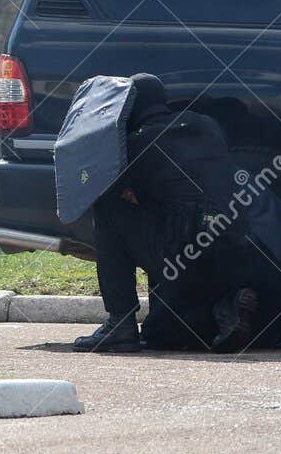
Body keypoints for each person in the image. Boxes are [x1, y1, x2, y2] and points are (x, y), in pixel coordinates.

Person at [73, 75, 258, 353]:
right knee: (160, 333)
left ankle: (120, 324)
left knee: (108, 207)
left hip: (184, 256)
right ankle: (223, 309)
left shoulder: (137, 144)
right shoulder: (207, 126)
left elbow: (122, 198)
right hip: (233, 253)